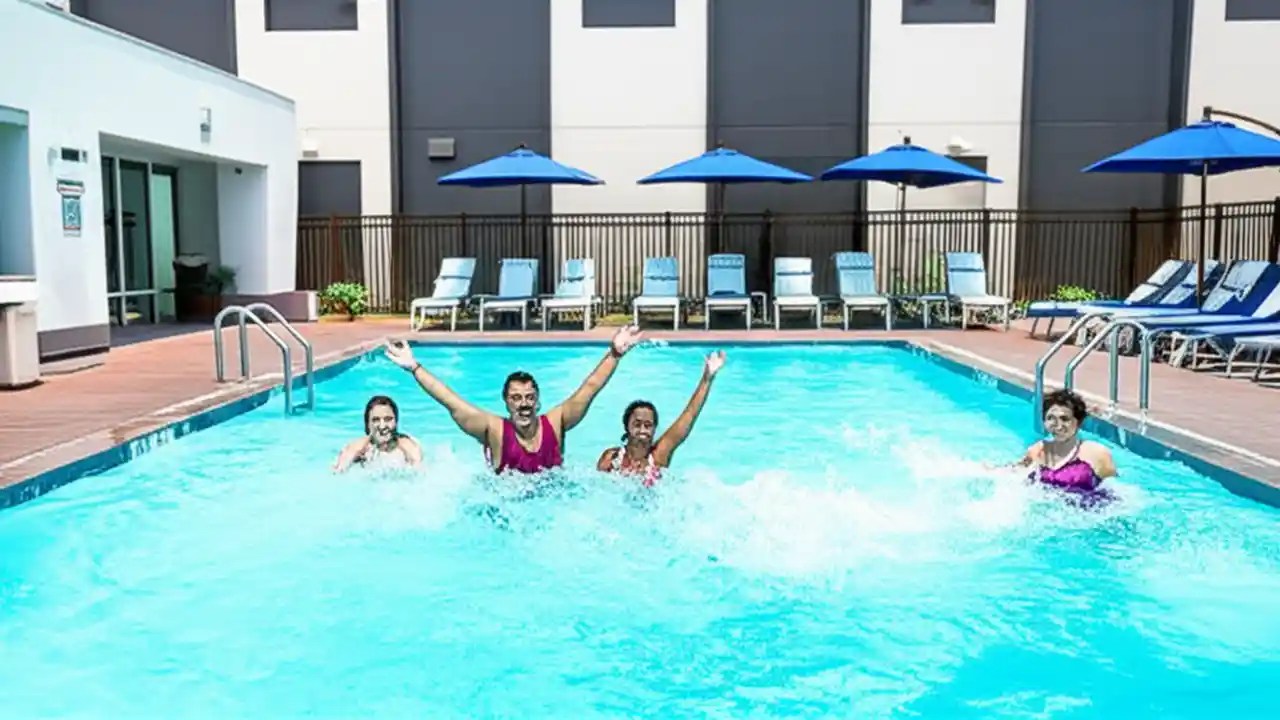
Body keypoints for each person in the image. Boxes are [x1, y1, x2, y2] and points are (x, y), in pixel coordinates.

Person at [383, 325, 643, 474]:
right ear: (506, 403)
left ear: (538, 401)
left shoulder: (555, 422)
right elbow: (451, 401)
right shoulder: (494, 430)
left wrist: (614, 354)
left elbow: (590, 388)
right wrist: (415, 367)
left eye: (530, 397)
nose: (524, 404)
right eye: (516, 398)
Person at [597, 350, 726, 486]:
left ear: (654, 429)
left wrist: (707, 379)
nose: (642, 430)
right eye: (637, 424)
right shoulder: (611, 458)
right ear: (626, 426)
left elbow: (689, 415)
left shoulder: (658, 456)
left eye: (648, 425)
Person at [1016, 388, 1117, 501]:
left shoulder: (1097, 453)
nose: (1058, 426)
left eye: (1065, 419)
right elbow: (1015, 472)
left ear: (1078, 422)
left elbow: (1114, 490)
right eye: (1051, 418)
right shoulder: (1038, 450)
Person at [333, 395, 423, 472]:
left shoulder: (407, 446)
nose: (382, 426)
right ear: (368, 424)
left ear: (396, 422)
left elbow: (420, 471)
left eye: (388, 419)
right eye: (376, 420)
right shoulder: (359, 448)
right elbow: (338, 471)